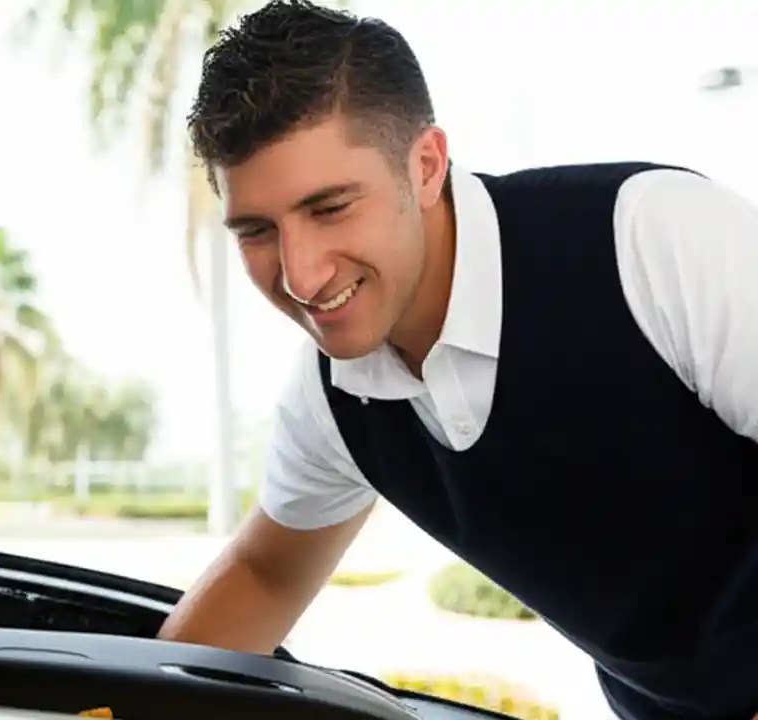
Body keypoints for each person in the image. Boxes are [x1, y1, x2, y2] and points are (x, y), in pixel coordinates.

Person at [155, 2, 758, 719]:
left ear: (427, 165)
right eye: (256, 230)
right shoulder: (332, 398)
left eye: (330, 208)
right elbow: (265, 574)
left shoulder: (652, 237)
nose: (301, 274)